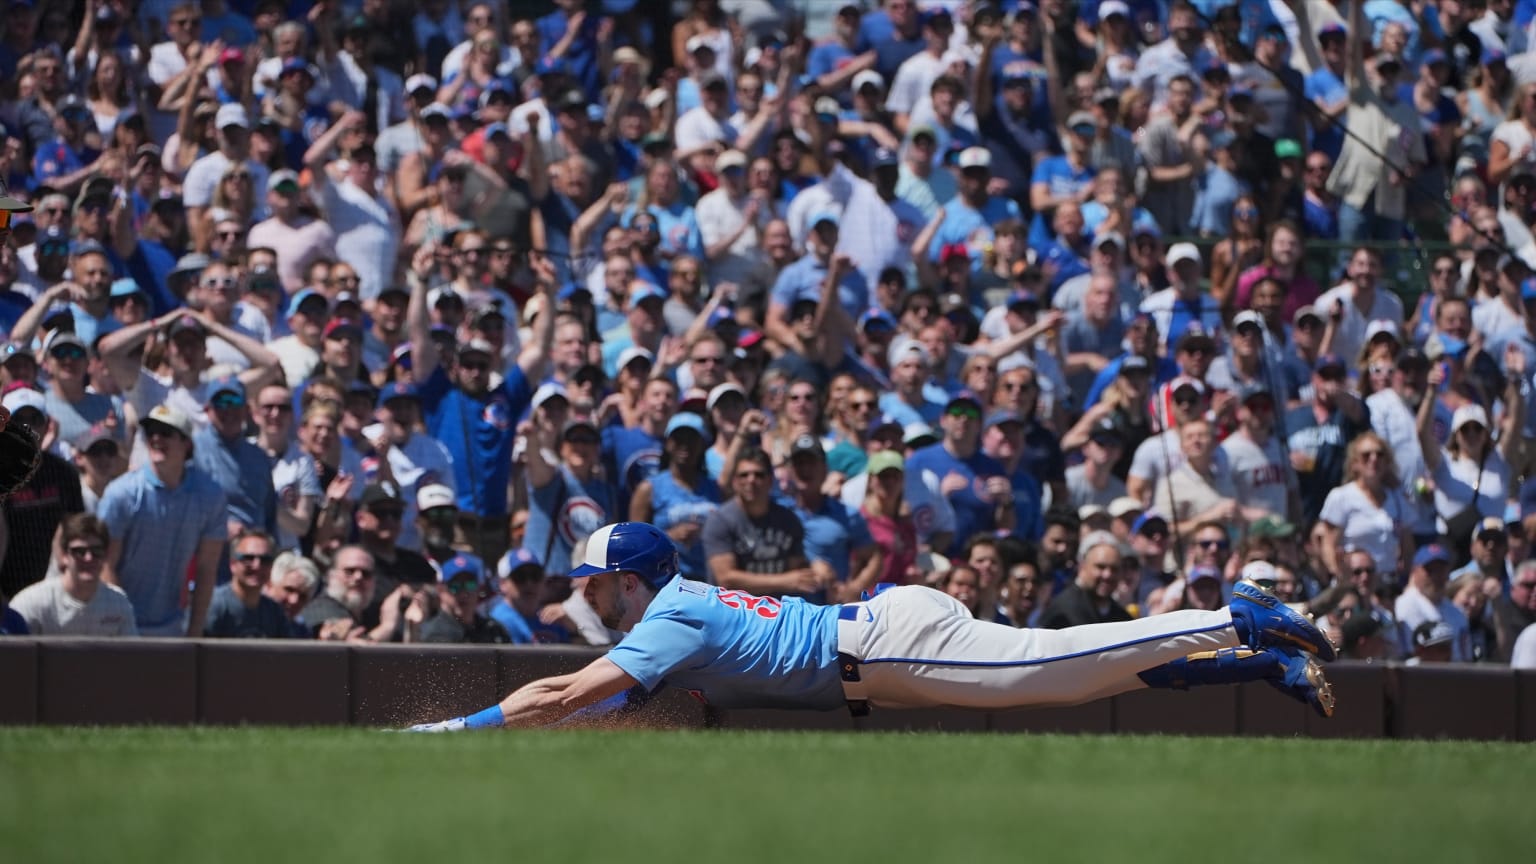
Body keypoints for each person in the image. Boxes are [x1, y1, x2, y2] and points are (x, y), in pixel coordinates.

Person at [407, 521, 1336, 732]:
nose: (589, 595)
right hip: (883, 640)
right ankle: (1258, 667)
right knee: (1078, 681)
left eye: (595, 582)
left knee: (1063, 661)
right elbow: (588, 710)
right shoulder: (677, 617)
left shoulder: (671, 615)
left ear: (627, 580)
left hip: (883, 645)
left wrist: (459, 731)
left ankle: (1234, 610)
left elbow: (567, 692)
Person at [98, 404, 227, 637]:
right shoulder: (121, 493)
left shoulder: (210, 496)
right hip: (118, 626)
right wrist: (124, 627)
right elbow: (106, 565)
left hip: (172, 626)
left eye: (166, 433)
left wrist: (194, 633)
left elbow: (207, 569)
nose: (156, 438)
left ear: (186, 444)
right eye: (151, 432)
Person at [7, 513, 136, 636]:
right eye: (79, 552)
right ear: (64, 556)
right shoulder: (32, 603)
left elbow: (132, 655)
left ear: (106, 555)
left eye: (96, 551)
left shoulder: (118, 603)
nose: (88, 558)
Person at [204, 529, 292, 638]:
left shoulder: (275, 612)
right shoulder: (214, 606)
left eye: (265, 560)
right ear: (233, 564)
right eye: (248, 558)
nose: (257, 566)